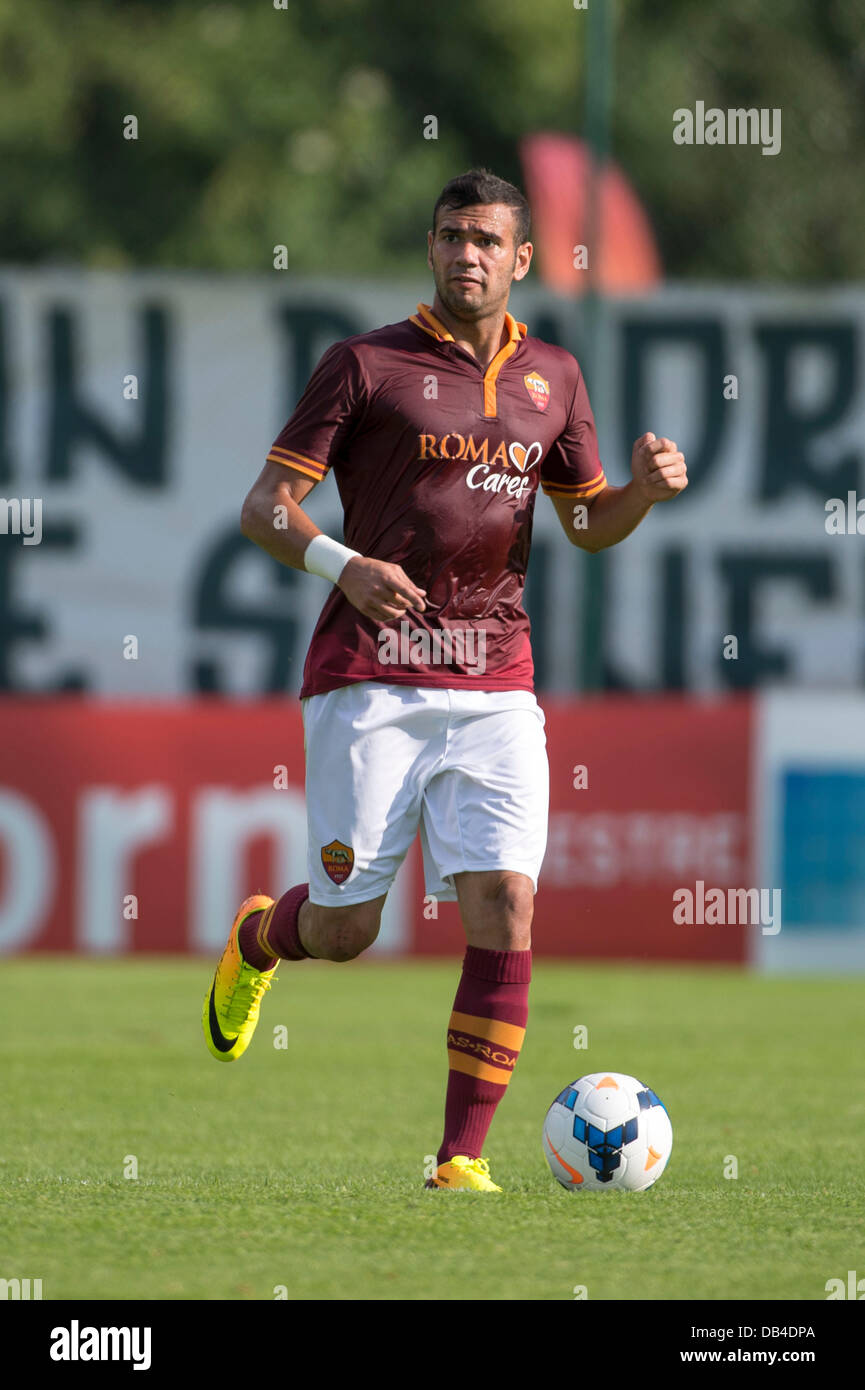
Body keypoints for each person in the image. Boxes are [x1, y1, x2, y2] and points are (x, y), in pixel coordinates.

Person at [202, 168, 688, 1191]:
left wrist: (640, 493)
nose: (467, 254)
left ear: (521, 259)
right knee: (346, 929)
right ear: (430, 248)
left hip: (497, 682)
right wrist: (344, 565)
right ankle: (259, 937)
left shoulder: (555, 375)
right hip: (370, 676)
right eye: (451, 236)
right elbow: (264, 507)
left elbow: (586, 522)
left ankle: (459, 1157)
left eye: (487, 240)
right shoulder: (364, 365)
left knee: (505, 906)